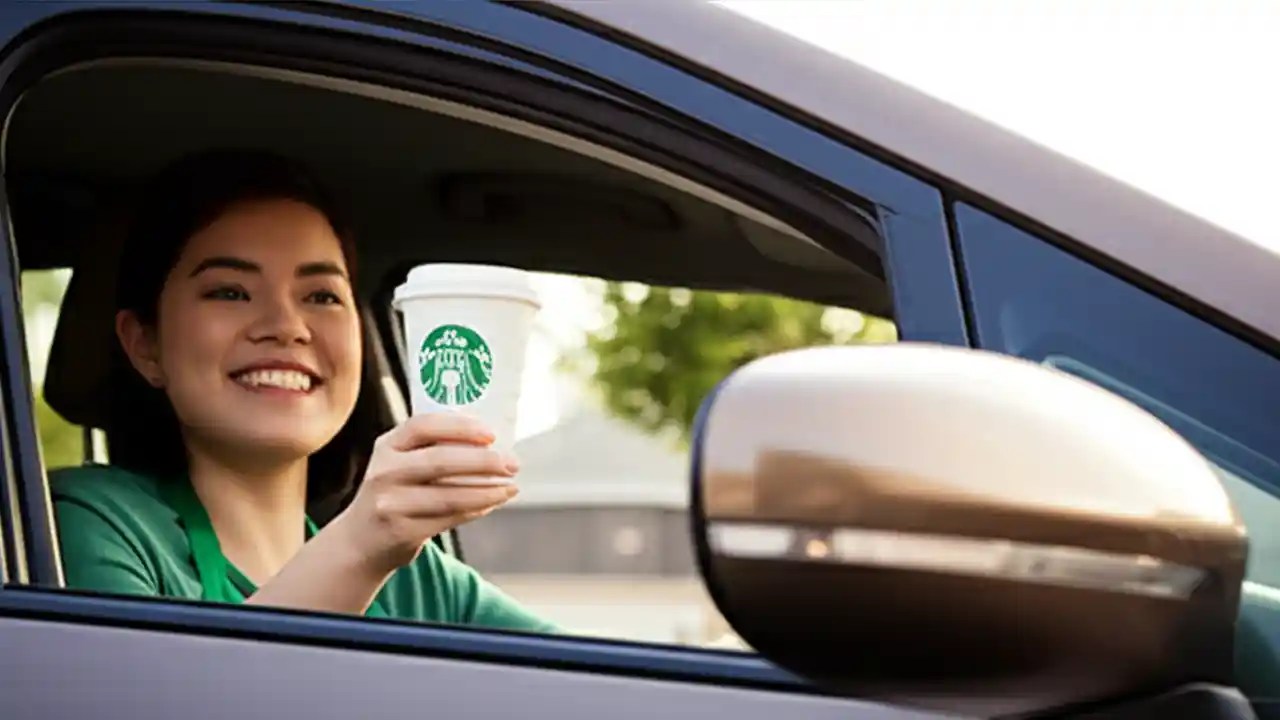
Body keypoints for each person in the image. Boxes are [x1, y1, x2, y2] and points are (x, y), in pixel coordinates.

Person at [50, 149, 557, 632]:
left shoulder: (416, 580)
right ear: (146, 345)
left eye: (321, 296)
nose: (287, 326)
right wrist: (362, 544)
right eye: (230, 292)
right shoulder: (89, 522)